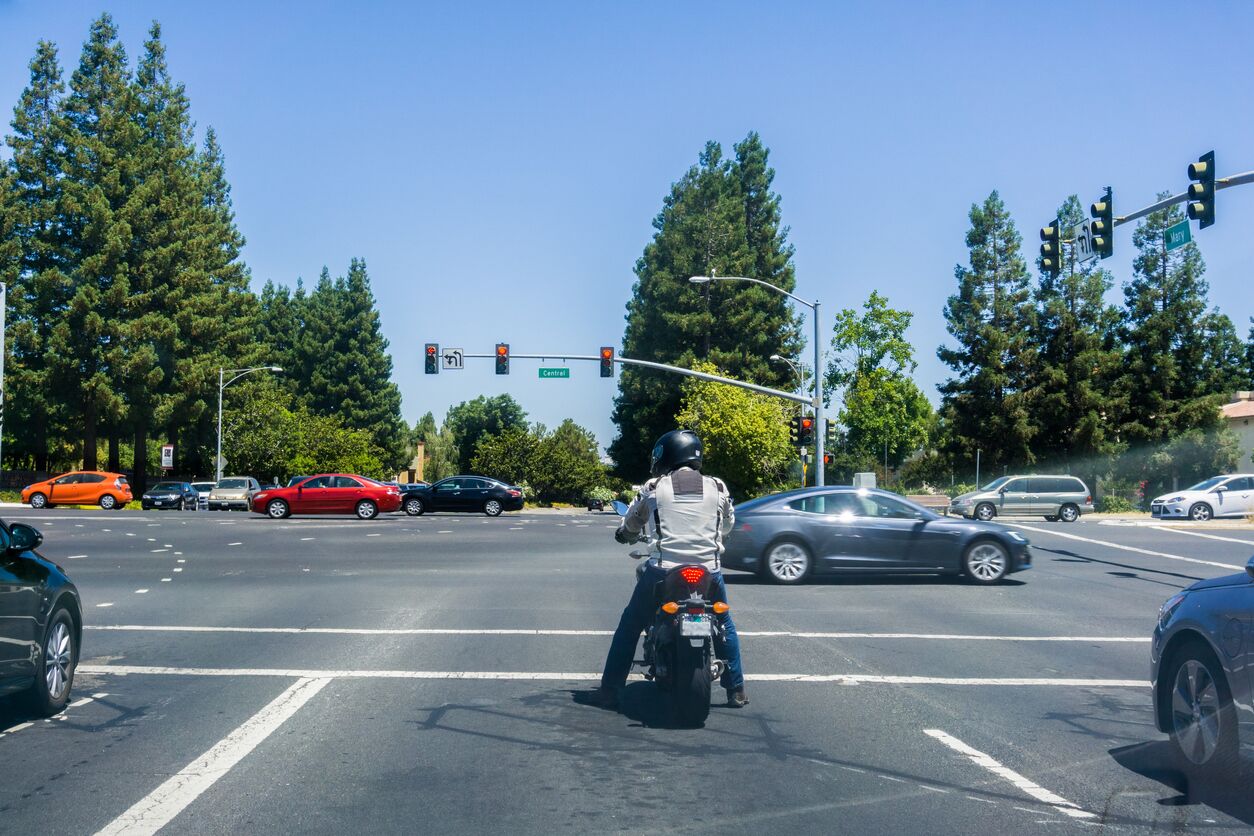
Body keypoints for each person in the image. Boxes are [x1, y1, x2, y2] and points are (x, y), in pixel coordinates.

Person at [589, 429, 746, 710]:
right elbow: (728, 525)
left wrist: (624, 533)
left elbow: (632, 521)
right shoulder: (719, 487)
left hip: (664, 569)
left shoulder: (653, 487)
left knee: (631, 625)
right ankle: (736, 689)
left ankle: (610, 690)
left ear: (667, 455)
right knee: (724, 624)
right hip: (709, 571)